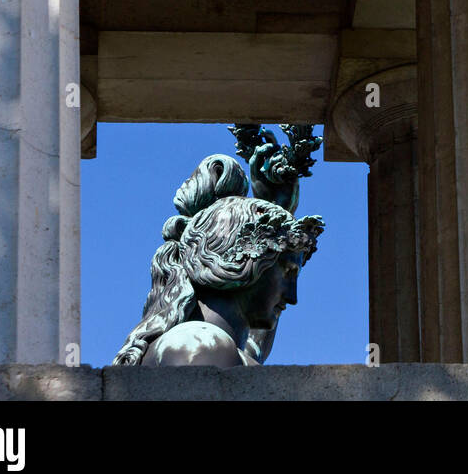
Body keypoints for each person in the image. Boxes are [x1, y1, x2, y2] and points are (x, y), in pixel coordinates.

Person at [112, 153, 323, 366]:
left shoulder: (203, 344)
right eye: (288, 272)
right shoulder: (201, 346)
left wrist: (277, 208)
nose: (292, 296)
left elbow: (247, 360)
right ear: (248, 261)